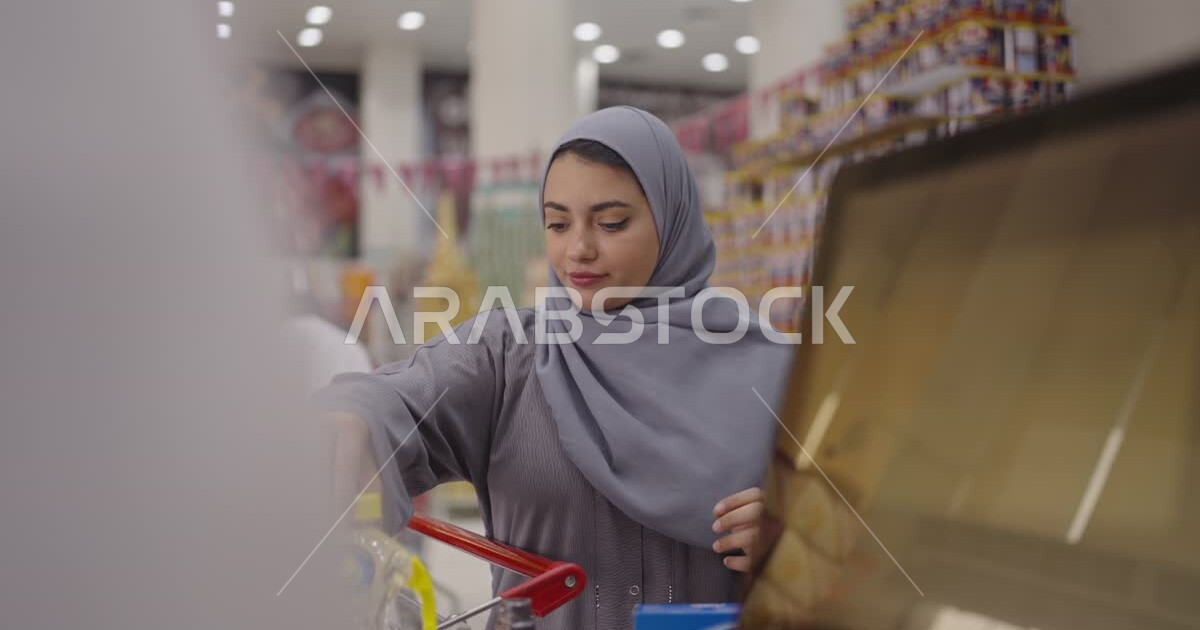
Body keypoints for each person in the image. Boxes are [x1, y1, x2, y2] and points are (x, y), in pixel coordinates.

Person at [317, 106, 792, 629]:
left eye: (612, 223)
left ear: (672, 217)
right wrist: (355, 412)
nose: (578, 249)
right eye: (558, 223)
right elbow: (402, 395)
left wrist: (800, 540)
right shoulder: (507, 353)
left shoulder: (773, 368)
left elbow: (866, 531)